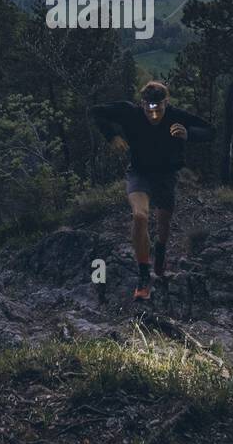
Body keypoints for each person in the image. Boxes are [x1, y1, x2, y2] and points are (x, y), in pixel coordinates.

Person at [89, 81, 214, 301]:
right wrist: (112, 135)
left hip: (167, 175)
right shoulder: (129, 112)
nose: (154, 115)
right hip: (139, 173)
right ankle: (144, 275)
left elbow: (210, 131)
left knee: (163, 224)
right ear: (142, 104)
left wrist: (189, 134)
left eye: (159, 109)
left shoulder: (177, 115)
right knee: (140, 216)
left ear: (167, 103)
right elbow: (95, 112)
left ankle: (161, 251)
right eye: (149, 109)